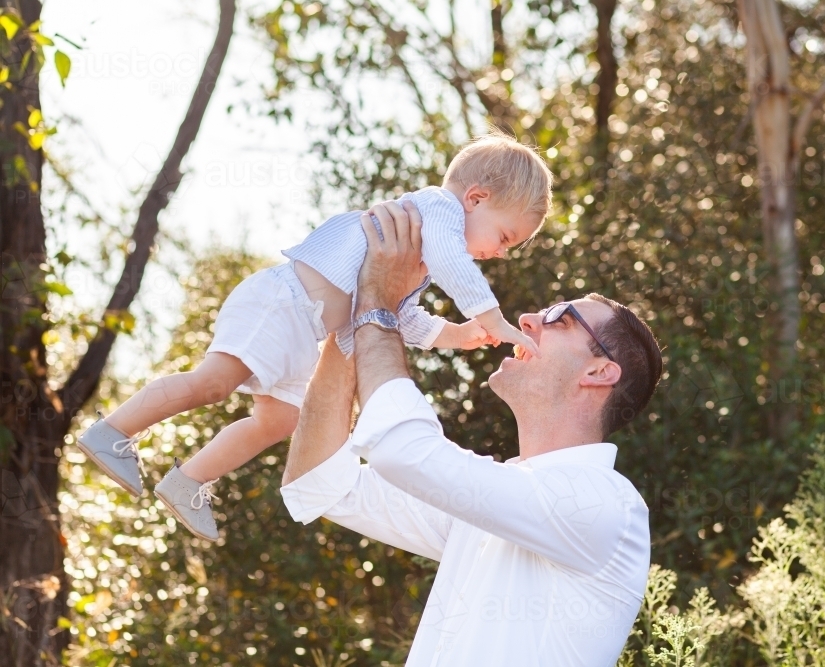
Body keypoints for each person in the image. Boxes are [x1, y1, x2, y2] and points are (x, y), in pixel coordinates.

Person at [74, 132, 551, 541]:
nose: (500, 253)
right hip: (282, 304)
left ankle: (188, 480)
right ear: (476, 198)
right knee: (215, 382)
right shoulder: (435, 211)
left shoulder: (417, 254)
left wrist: (458, 334)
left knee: (281, 420)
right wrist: (493, 321)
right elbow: (453, 261)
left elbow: (396, 315)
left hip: (304, 330)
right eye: (505, 238)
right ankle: (113, 431)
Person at [281, 200, 662, 666]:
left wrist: (380, 301)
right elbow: (321, 487)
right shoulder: (492, 506)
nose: (527, 320)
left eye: (559, 317)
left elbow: (402, 451)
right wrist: (359, 308)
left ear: (600, 371)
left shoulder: (603, 504)